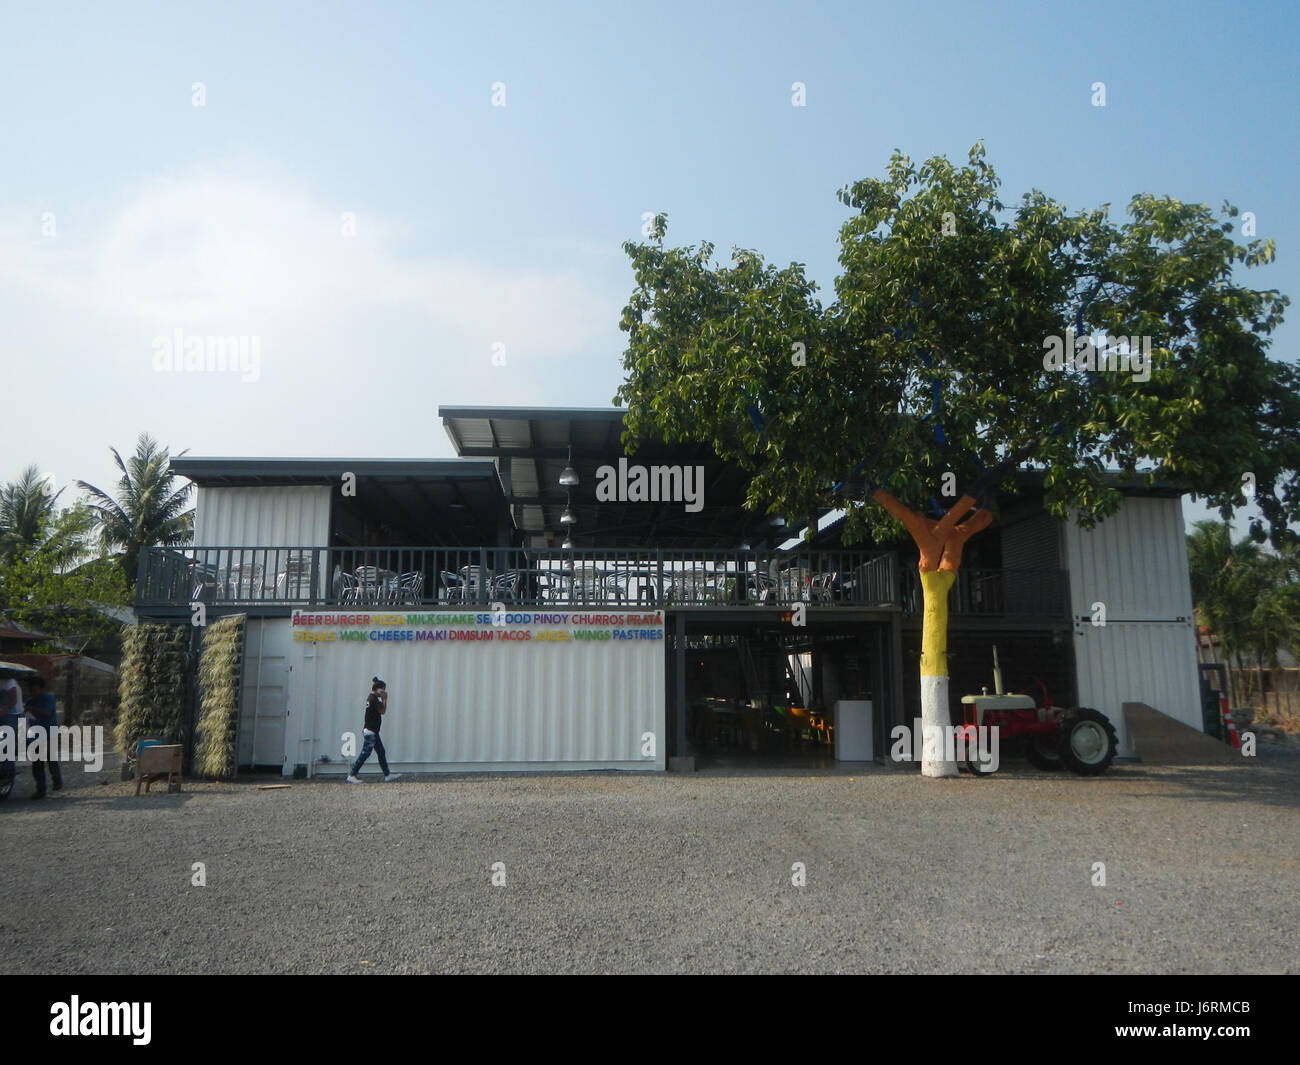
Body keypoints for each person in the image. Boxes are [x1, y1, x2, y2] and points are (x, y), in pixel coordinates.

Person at [346, 677, 400, 783]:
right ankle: (352, 774)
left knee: (381, 752)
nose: (384, 692)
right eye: (383, 690)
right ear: (378, 690)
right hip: (371, 732)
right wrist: (385, 699)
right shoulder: (373, 699)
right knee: (365, 753)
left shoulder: (372, 698)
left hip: (373, 731)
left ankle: (387, 775)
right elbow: (383, 711)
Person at [26, 676, 62, 798]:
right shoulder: (30, 702)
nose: (33, 693)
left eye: (35, 690)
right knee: (37, 764)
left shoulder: (48, 698)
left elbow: (47, 712)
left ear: (41, 689)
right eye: (31, 691)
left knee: (51, 760)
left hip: (48, 734)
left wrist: (30, 709)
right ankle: (41, 789)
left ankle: (57, 781)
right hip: (35, 736)